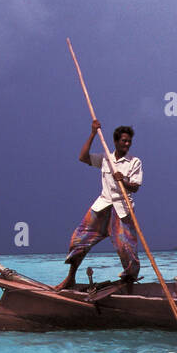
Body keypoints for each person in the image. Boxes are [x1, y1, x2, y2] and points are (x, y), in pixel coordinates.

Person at [56, 120, 142, 290]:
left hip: (122, 210)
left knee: (127, 249)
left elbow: (136, 187)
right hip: (102, 206)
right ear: (116, 142)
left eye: (129, 141)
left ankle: (129, 284)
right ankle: (70, 278)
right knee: (79, 240)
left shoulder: (134, 162)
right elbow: (82, 157)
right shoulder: (105, 158)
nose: (127, 144)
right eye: (123, 141)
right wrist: (93, 133)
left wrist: (123, 181)